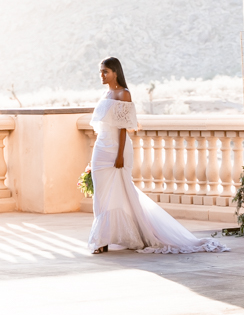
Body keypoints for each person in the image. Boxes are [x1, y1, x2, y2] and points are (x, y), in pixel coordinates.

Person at [88, 56, 228, 255]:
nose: (101, 75)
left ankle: (108, 240)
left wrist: (119, 155)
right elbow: (102, 126)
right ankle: (103, 238)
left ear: (116, 72)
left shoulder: (123, 94)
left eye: (105, 71)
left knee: (122, 192)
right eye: (100, 71)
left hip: (116, 149)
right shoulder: (105, 94)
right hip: (101, 149)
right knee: (101, 196)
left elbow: (123, 127)